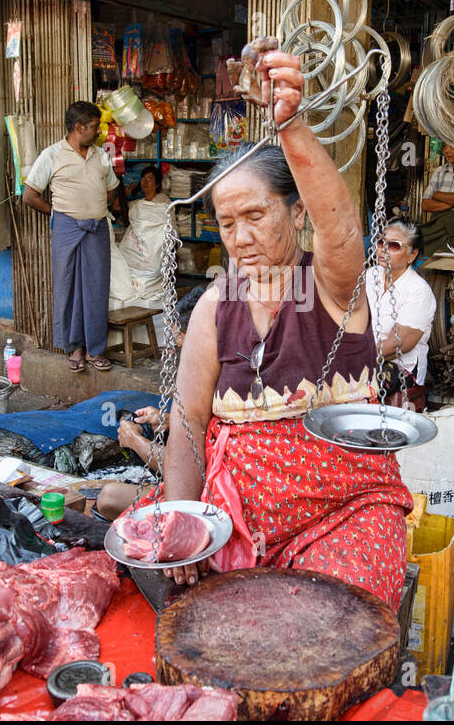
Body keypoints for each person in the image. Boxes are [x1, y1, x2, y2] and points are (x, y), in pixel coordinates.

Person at [128, 50, 415, 612]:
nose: (240, 237)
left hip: (344, 514)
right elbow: (188, 418)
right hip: (237, 520)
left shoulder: (332, 286)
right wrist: (187, 522)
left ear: (296, 213)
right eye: (226, 223)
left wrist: (291, 127)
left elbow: (342, 228)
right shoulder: (216, 306)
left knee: (327, 621)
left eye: (256, 216)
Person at [23, 101, 119, 373]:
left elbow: (111, 190)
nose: (99, 131)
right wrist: (58, 213)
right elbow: (30, 196)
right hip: (67, 228)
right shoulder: (51, 155)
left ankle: (95, 350)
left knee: (97, 288)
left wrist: (95, 207)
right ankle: (75, 348)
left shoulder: (101, 156)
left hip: (97, 227)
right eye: (94, 127)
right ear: (79, 127)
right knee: (70, 288)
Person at [95, 285, 206, 520]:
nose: (178, 349)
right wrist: (167, 420)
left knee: (108, 498)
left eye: (182, 343)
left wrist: (135, 441)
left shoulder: (210, 383)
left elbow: (185, 470)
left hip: (204, 495)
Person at [367, 218, 436, 412]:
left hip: (400, 366)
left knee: (349, 385)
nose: (383, 249)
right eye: (381, 242)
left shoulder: (418, 291)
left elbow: (399, 344)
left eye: (394, 245)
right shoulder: (370, 276)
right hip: (367, 354)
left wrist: (356, 356)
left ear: (412, 255)